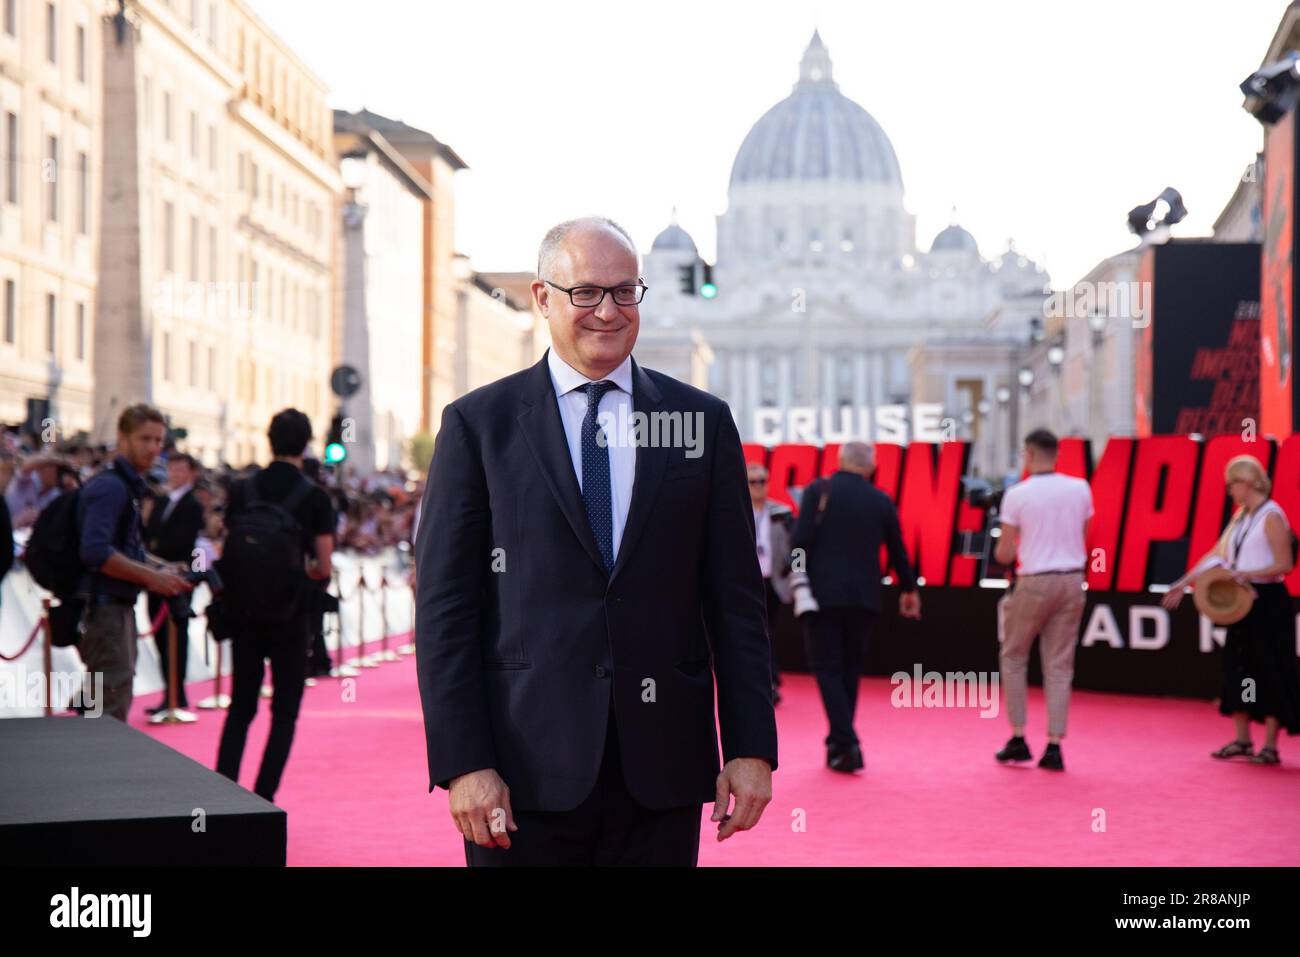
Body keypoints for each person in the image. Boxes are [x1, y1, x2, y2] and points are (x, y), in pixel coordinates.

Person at [416, 216, 777, 866]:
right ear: (542, 297)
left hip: (661, 774)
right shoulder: (479, 426)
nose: (607, 311)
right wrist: (463, 762)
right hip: (520, 779)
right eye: (585, 292)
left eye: (624, 291)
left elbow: (736, 602)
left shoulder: (702, 423)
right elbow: (446, 612)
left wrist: (750, 747)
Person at [215, 409, 334, 802]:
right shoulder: (314, 495)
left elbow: (228, 546)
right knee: (283, 713)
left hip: (242, 611)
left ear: (269, 440)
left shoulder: (242, 488)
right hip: (290, 615)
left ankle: (222, 795)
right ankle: (262, 799)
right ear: (306, 442)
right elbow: (323, 566)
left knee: (240, 708)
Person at [791, 440, 920, 773]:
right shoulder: (880, 500)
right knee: (849, 668)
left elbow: (799, 543)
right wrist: (908, 588)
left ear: (839, 460)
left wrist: (800, 577)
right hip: (864, 598)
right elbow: (897, 549)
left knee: (826, 668)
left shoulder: (817, 490)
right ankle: (839, 745)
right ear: (871, 466)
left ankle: (847, 742)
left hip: (821, 596)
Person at [1161, 454, 1300, 764]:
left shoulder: (1271, 516)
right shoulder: (1241, 517)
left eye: (1231, 484)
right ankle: (1242, 739)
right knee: (1238, 668)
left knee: (1269, 668)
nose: (1229, 491)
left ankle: (1270, 745)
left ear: (1247, 482)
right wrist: (1183, 582)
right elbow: (1216, 556)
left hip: (1267, 603)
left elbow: (1285, 564)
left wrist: (1245, 574)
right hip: (1241, 604)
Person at [76, 405, 192, 722]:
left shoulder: (127, 486)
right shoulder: (111, 487)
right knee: (108, 710)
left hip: (116, 609)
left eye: (158, 441)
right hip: (104, 610)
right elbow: (96, 551)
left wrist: (160, 568)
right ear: (121, 437)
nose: (154, 448)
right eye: (145, 439)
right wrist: (153, 578)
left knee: (105, 703)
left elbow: (128, 549)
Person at [993, 429, 1093, 772]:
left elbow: (1005, 551)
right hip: (1072, 578)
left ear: (1029, 454)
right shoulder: (1080, 489)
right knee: (1060, 663)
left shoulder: (1017, 495)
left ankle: (1019, 736)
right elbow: (1082, 535)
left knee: (1014, 654)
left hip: (1035, 579)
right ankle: (1054, 744)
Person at [143, 453, 205, 714]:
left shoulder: (193, 504)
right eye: (172, 468)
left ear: (191, 473)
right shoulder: (162, 500)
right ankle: (169, 692)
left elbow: (185, 542)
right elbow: (149, 534)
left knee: (175, 637)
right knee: (159, 636)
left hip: (177, 577)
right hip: (155, 575)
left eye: (181, 469)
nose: (175, 474)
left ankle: (176, 694)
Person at [748, 462, 792, 704]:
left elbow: (798, 548)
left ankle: (770, 679)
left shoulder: (781, 513)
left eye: (762, 481)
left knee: (767, 632)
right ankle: (770, 679)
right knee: (758, 632)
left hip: (774, 582)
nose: (758, 486)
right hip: (747, 582)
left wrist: (796, 575)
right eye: (753, 482)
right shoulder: (735, 510)